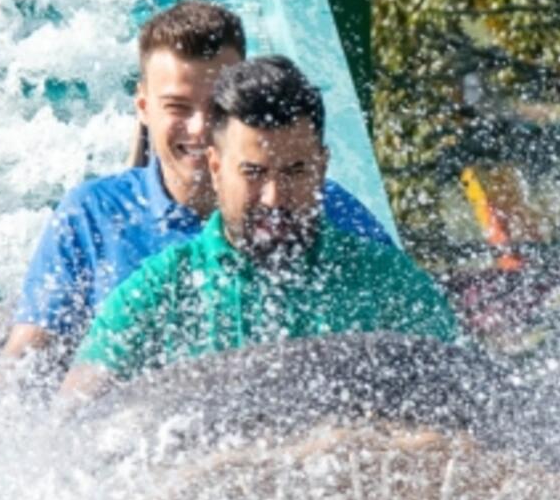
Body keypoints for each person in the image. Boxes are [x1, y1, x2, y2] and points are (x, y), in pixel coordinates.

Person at [0, 0, 393, 367]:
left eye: (217, 108)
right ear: (143, 108)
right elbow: (25, 371)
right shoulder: (94, 215)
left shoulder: (312, 206)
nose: (202, 128)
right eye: (177, 107)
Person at [61, 56, 458, 399]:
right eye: (253, 172)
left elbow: (474, 409)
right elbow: (74, 438)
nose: (274, 197)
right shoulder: (156, 297)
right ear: (215, 168)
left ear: (322, 167)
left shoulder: (390, 286)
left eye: (296, 171)